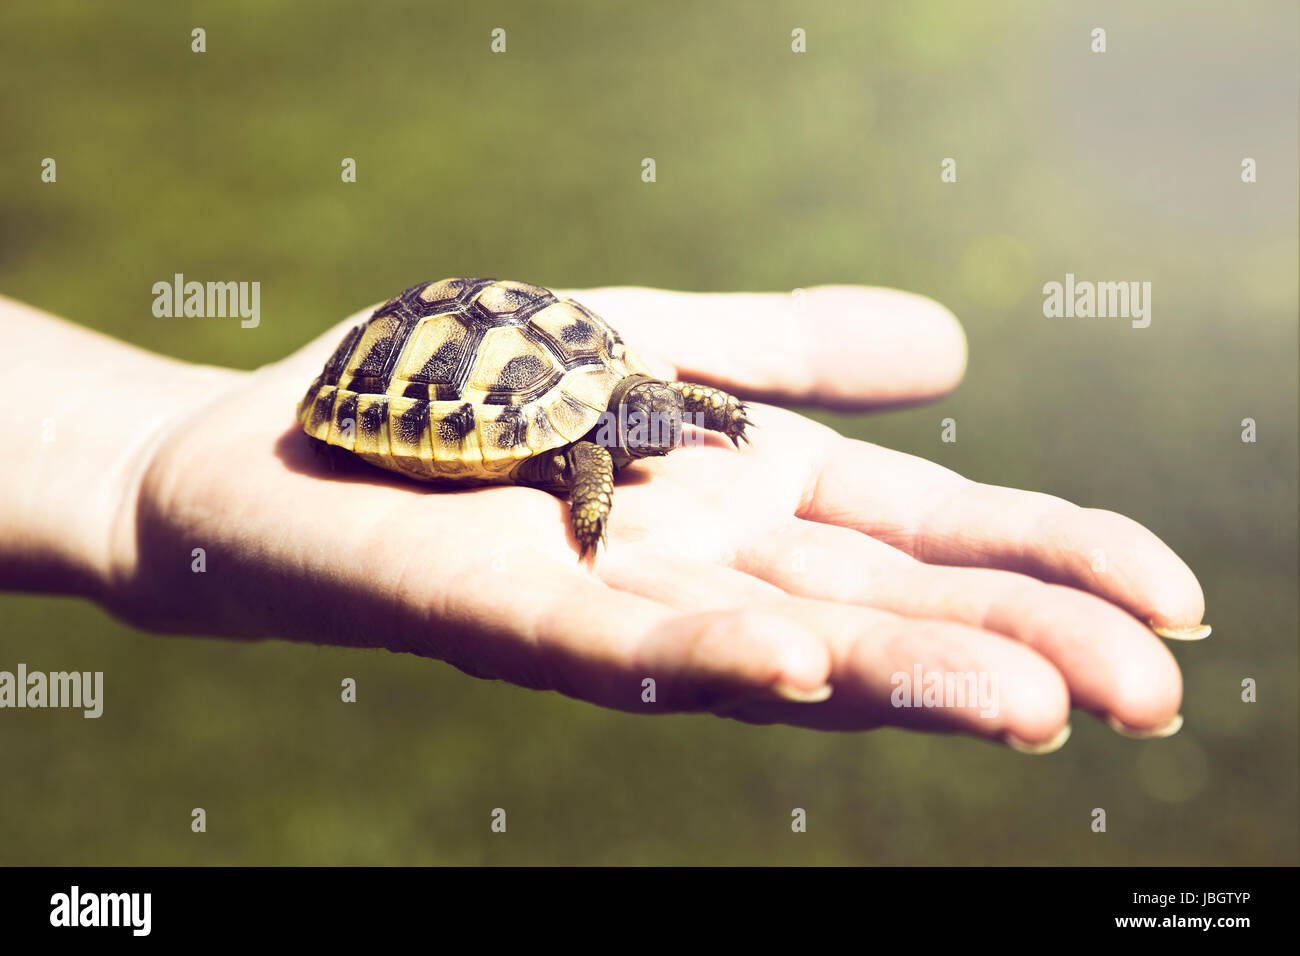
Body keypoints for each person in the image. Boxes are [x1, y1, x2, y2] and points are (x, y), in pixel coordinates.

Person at [0, 285, 1206, 752]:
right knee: (583, 451)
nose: (648, 440)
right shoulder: (587, 445)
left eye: (647, 427)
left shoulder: (632, 395)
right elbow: (593, 440)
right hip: (406, 379)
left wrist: (714, 417)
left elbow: (657, 400)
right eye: (647, 431)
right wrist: (135, 465)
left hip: (538, 359)